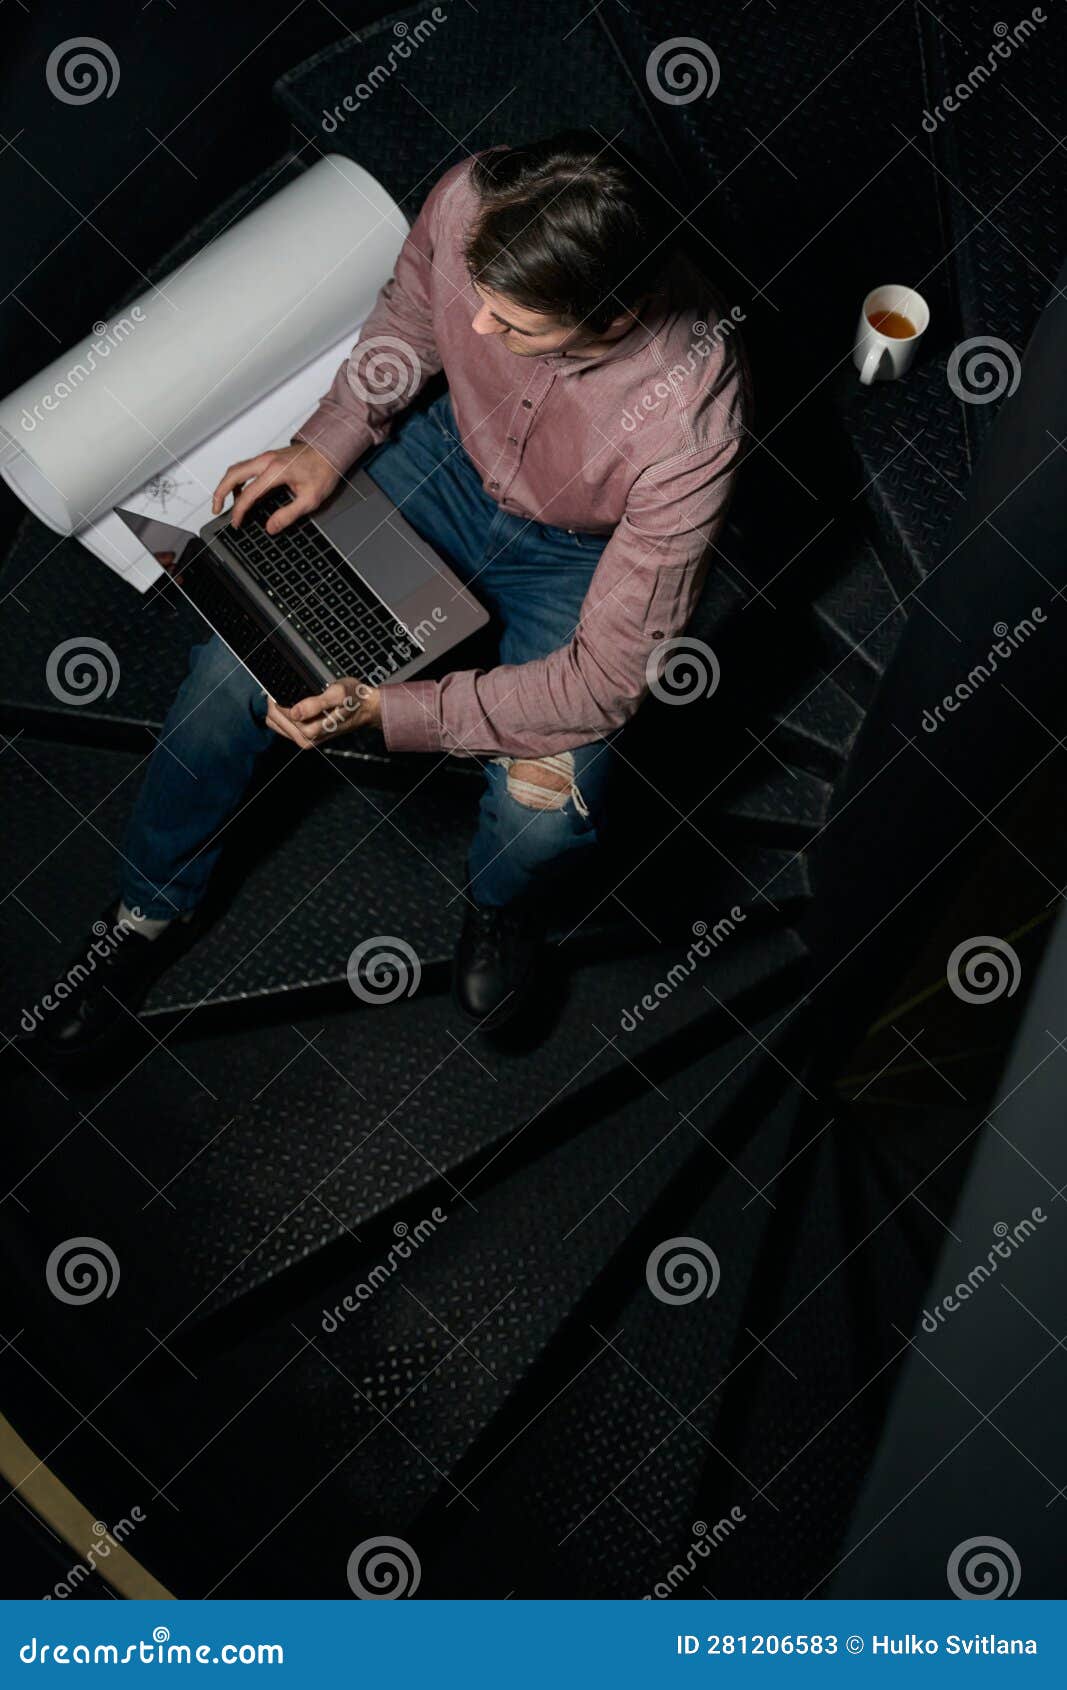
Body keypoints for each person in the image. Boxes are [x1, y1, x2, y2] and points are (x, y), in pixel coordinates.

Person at [40, 129, 752, 1056]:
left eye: (518, 325)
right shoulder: (473, 200)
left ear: (613, 319)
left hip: (581, 553)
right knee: (228, 679)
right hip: (448, 467)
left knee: (544, 817)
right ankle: (149, 910)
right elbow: (412, 323)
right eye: (483, 304)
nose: (482, 331)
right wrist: (330, 435)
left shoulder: (694, 425)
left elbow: (603, 683)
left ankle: (503, 906)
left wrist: (391, 710)